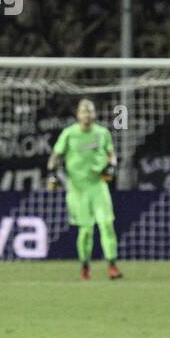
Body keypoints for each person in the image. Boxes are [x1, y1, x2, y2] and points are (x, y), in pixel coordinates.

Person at [47, 99, 121, 280]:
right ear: (78, 114)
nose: (87, 115)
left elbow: (112, 155)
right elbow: (55, 156)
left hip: (98, 186)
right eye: (83, 111)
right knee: (86, 230)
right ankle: (85, 266)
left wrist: (111, 167)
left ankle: (112, 265)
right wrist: (52, 176)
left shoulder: (102, 133)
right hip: (77, 189)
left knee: (107, 224)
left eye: (90, 111)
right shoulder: (69, 134)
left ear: (94, 114)